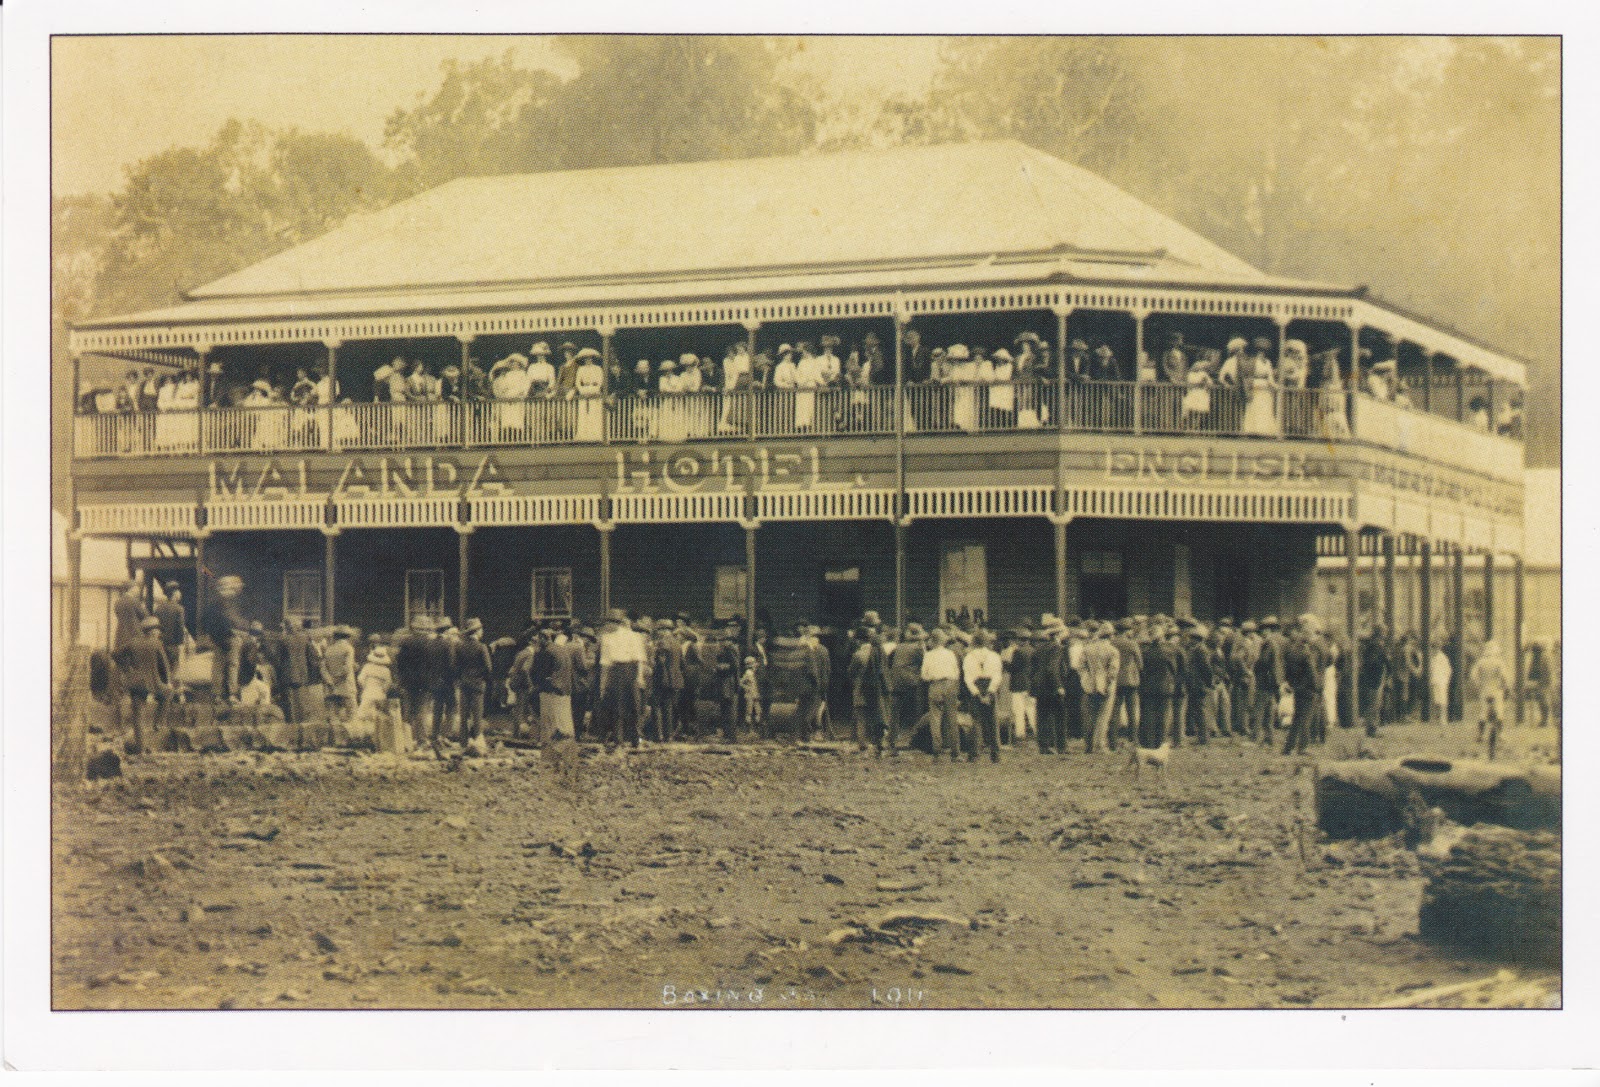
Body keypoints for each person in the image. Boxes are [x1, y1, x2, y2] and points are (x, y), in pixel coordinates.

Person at [116, 615, 171, 754]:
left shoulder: (133, 642)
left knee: (138, 716)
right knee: (167, 693)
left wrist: (126, 668)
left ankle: (140, 750)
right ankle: (159, 723)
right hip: (154, 684)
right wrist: (168, 682)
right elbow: (164, 666)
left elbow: (115, 654)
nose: (159, 632)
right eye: (157, 630)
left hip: (136, 684)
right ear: (152, 631)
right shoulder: (157, 644)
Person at [595, 608, 648, 748]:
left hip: (627, 670)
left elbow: (639, 659)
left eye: (613, 622)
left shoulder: (634, 637)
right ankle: (623, 739)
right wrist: (603, 684)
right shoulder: (607, 638)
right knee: (624, 705)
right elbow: (605, 664)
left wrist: (639, 677)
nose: (609, 626)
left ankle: (631, 739)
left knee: (628, 705)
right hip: (618, 671)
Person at [1281, 615, 1327, 756]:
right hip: (1309, 687)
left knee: (1297, 718)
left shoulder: (1294, 649)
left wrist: (1292, 682)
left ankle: (1288, 747)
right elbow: (1312, 670)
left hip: (1298, 686)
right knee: (1306, 718)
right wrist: (1317, 685)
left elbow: (1290, 666)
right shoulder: (1309, 651)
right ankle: (1303, 747)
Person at [201, 574, 247, 706]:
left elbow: (206, 622)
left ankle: (217, 694)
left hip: (218, 639)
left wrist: (212, 636)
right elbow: (231, 622)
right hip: (230, 638)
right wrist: (238, 630)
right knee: (232, 666)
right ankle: (231, 694)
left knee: (218, 667)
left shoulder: (213, 606)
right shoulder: (229, 606)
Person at [960, 629, 1003, 762]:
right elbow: (997, 676)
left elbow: (968, 678)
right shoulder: (994, 656)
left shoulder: (969, 657)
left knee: (976, 721)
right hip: (991, 686)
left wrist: (977, 693)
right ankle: (995, 754)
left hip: (976, 686)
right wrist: (990, 691)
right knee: (993, 721)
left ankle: (975, 754)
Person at [1078, 622, 1120, 753]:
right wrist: (1106, 683)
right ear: (1110, 636)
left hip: (1089, 685)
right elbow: (1113, 671)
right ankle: (1099, 745)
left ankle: (1088, 745)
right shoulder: (1113, 651)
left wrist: (1086, 680)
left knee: (1089, 716)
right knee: (1103, 716)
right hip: (1105, 686)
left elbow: (1081, 667)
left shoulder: (1087, 649)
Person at [920, 628, 961, 761]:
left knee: (935, 719)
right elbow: (956, 673)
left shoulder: (928, 655)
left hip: (935, 685)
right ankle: (955, 753)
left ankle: (936, 753)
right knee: (952, 719)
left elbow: (924, 676)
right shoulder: (950, 654)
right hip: (949, 684)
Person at [849, 625, 891, 754]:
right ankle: (879, 742)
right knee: (877, 715)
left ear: (859, 641)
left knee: (861, 717)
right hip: (877, 690)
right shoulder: (880, 652)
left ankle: (862, 744)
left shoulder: (858, 655)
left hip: (861, 689)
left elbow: (851, 673)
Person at [1030, 619, 1068, 754]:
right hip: (1052, 686)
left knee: (1042, 716)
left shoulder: (1040, 648)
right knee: (1059, 716)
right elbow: (1053, 669)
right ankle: (1061, 746)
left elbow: (1033, 669)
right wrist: (1059, 686)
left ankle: (1044, 746)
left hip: (1040, 687)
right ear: (1057, 634)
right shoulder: (1057, 648)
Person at [456, 618, 494, 745]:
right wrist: (481, 677)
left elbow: (456, 665)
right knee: (477, 716)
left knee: (463, 716)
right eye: (481, 629)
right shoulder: (481, 647)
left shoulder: (460, 646)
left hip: (464, 683)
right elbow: (488, 667)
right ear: (477, 631)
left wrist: (462, 676)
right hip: (477, 684)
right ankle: (478, 742)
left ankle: (463, 742)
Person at [1472, 641, 1510, 758]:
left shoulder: (1481, 662)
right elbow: (1504, 677)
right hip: (1496, 689)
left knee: (1483, 712)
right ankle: (1501, 734)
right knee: (1499, 711)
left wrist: (1478, 685)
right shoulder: (1499, 662)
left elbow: (1473, 675)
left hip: (1484, 689)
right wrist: (1505, 686)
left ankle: (1480, 735)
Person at [649, 620, 685, 741]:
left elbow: (659, 663)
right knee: (668, 707)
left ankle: (658, 735)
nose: (658, 633)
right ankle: (668, 735)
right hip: (674, 680)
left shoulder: (662, 643)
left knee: (656, 707)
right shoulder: (677, 644)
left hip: (661, 679)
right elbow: (682, 664)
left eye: (660, 630)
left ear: (664, 630)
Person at [1253, 616, 1286, 744]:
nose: (1261, 632)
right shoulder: (1274, 643)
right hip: (1272, 681)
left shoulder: (1268, 643)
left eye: (1263, 629)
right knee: (1269, 711)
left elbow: (1265, 662)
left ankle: (1255, 737)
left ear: (1268, 630)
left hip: (1265, 681)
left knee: (1260, 710)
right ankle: (1269, 737)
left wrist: (1256, 667)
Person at [321, 627, 358, 737]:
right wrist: (337, 678)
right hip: (346, 685)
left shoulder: (329, 650)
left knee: (334, 715)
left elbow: (323, 668)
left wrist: (330, 680)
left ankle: (334, 738)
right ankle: (351, 737)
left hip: (331, 687)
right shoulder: (348, 649)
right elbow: (347, 668)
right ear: (347, 637)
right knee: (351, 714)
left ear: (335, 637)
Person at [1359, 622, 1392, 738]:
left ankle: (1371, 727)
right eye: (1384, 632)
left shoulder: (1371, 645)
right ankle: (1372, 728)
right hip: (1375, 678)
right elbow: (1374, 662)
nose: (1385, 634)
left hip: (1372, 677)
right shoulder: (1376, 646)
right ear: (1380, 633)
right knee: (1374, 703)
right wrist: (1385, 660)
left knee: (1374, 703)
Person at [1241, 351, 1281, 437]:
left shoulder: (1268, 362)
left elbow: (1270, 378)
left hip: (1265, 389)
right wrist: (1249, 386)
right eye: (1259, 351)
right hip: (1255, 388)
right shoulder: (1252, 361)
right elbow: (1247, 376)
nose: (1261, 354)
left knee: (1265, 409)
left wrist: (1276, 386)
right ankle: (1252, 430)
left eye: (1263, 352)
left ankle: (1264, 430)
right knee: (1254, 408)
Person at [153, 582, 188, 666]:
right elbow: (180, 627)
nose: (180, 594)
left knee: (164, 668)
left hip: (161, 644)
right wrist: (181, 643)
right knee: (174, 667)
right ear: (175, 594)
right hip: (173, 645)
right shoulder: (179, 609)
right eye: (178, 591)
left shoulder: (158, 608)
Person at [1525, 642, 1552, 728]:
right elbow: (1531, 670)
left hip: (1542, 682)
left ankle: (1544, 720)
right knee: (1539, 701)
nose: (1533, 652)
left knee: (1543, 701)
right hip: (1536, 682)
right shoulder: (1535, 658)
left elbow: (1547, 672)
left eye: (1535, 650)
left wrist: (1545, 682)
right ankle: (1542, 720)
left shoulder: (1543, 658)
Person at [1430, 638, 1453, 726]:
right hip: (1435, 681)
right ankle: (1436, 719)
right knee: (1436, 700)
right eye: (1433, 647)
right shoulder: (1432, 658)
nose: (1433, 649)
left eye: (1435, 647)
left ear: (1438, 648)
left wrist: (1446, 680)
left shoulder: (1443, 657)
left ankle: (1443, 719)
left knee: (1443, 700)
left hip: (1442, 681)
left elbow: (1448, 670)